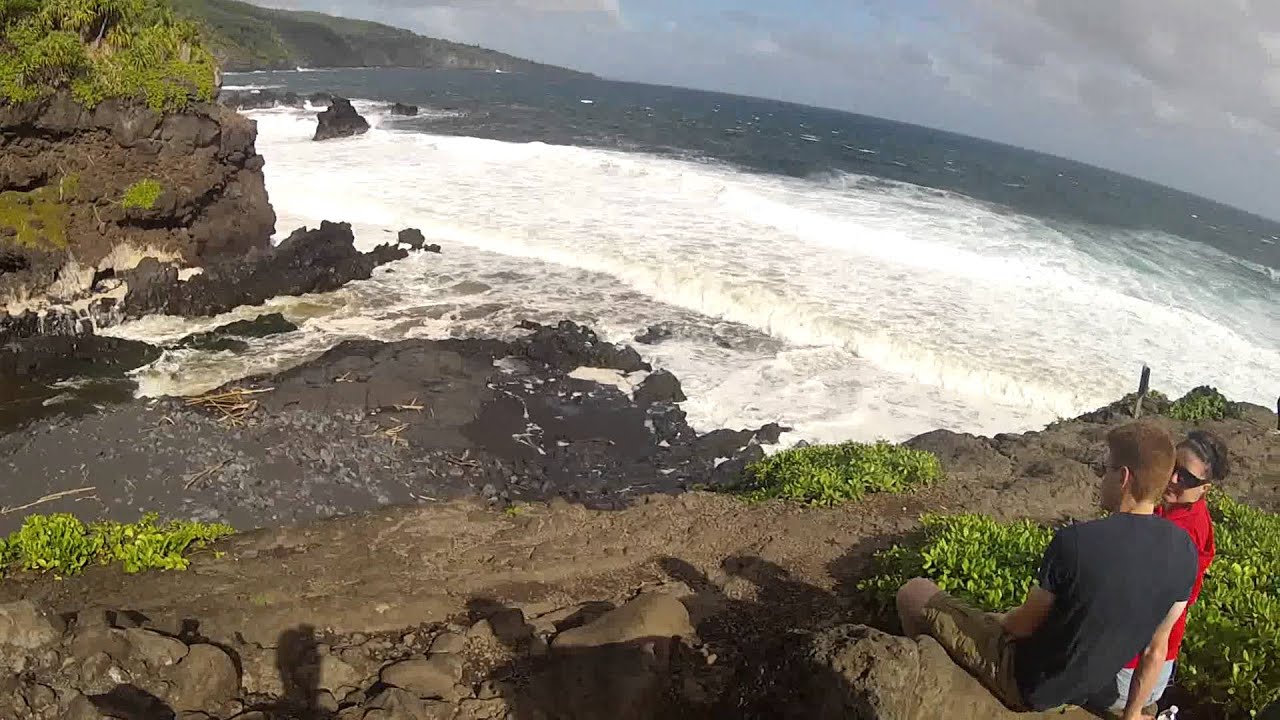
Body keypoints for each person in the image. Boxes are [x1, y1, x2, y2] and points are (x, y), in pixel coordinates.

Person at [896, 421, 1198, 720]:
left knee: (915, 592)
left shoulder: (1076, 542)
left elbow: (1020, 627)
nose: (1099, 479)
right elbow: (1156, 650)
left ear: (1123, 477)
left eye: (1104, 469)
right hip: (1090, 687)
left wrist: (993, 618)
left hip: (1030, 685)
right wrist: (1131, 714)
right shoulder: (1184, 550)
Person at [1106, 430, 1228, 712]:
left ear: (1205, 489)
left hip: (1129, 675)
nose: (1173, 479)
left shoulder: (1180, 535)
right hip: (1143, 668)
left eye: (1186, 478)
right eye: (1173, 467)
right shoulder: (1173, 513)